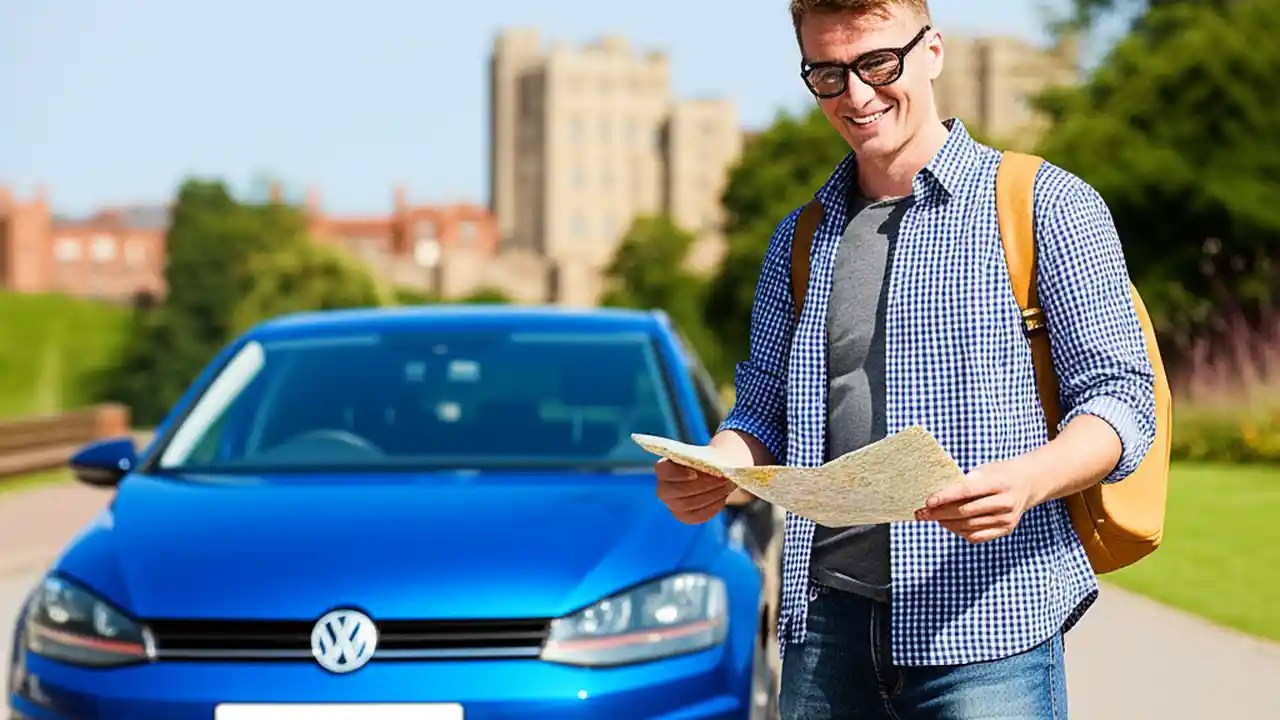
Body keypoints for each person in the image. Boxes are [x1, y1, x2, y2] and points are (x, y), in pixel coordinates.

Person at [653, 0, 1157, 717]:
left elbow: (1120, 400)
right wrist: (714, 469)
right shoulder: (798, 239)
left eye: (876, 64)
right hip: (826, 630)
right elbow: (762, 412)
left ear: (932, 51)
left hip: (991, 623)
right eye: (826, 75)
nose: (855, 96)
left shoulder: (1047, 203)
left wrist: (1027, 481)